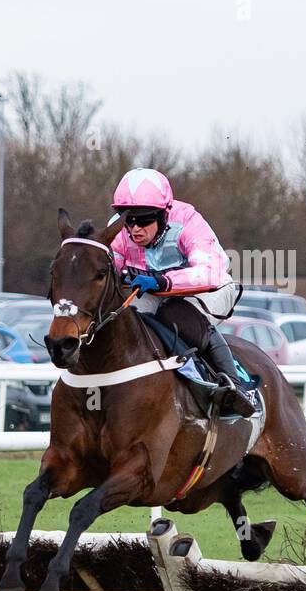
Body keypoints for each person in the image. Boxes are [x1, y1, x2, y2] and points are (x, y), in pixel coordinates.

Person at [109, 167, 255, 417]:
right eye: (129, 219)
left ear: (163, 214)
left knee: (177, 316)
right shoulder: (120, 230)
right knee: (122, 322)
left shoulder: (187, 220)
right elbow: (109, 266)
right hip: (156, 293)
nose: (134, 229)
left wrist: (162, 282)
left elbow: (210, 271)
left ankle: (234, 386)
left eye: (144, 220)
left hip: (210, 289)